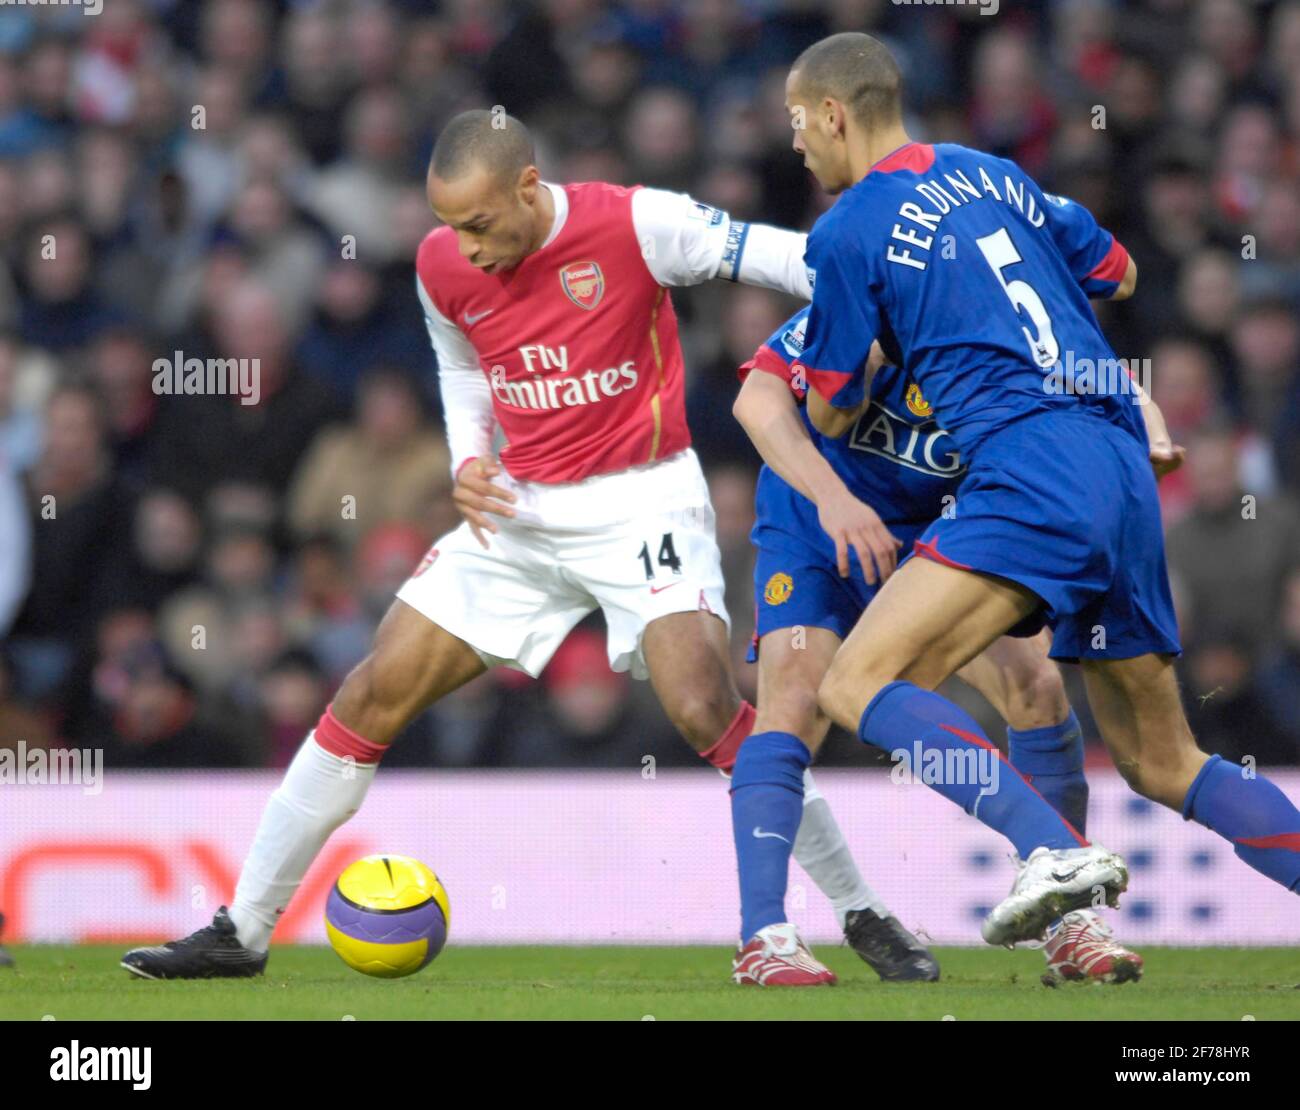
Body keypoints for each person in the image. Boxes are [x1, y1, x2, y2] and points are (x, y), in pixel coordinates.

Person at [121, 109, 930, 982]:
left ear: (527, 188)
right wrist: (470, 458)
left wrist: (904, 313)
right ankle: (241, 929)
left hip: (644, 499)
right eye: (449, 226)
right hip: (520, 509)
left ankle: (863, 911)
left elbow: (790, 259)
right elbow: (462, 366)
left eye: (478, 223)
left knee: (702, 707)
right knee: (370, 690)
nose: (465, 248)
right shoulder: (440, 266)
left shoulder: (636, 223)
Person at [730, 32, 1299, 964]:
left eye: (798, 124)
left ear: (832, 114)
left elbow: (827, 406)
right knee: (1164, 761)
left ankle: (1047, 853)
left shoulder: (847, 232)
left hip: (1027, 471)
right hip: (1120, 462)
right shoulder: (997, 175)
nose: (796, 145)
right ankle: (1069, 897)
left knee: (856, 681)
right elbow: (1118, 271)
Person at [732, 305, 1149, 984]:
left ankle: (1071, 924)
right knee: (794, 703)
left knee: (1035, 686)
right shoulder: (869, 301)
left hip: (937, 534)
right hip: (814, 520)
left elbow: (1117, 391)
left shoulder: (1026, 338)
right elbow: (756, 399)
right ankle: (765, 937)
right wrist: (834, 498)